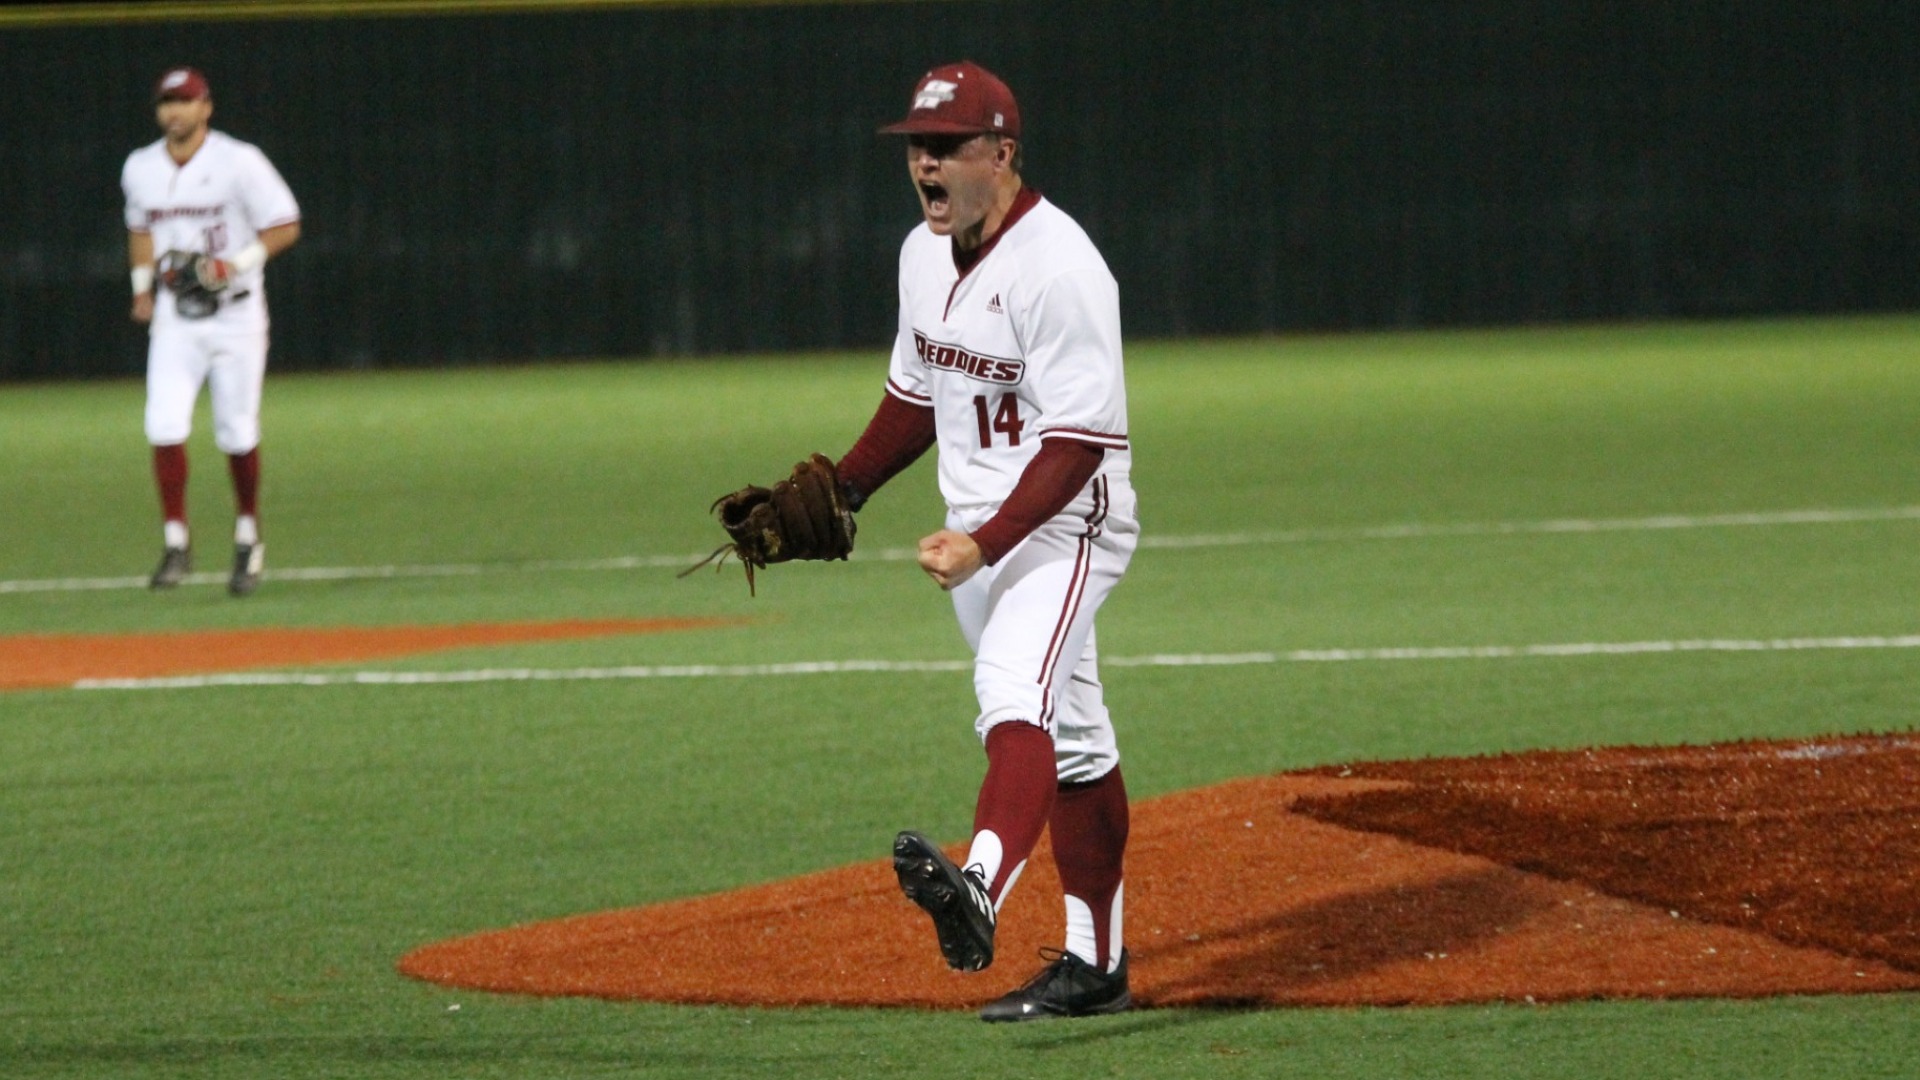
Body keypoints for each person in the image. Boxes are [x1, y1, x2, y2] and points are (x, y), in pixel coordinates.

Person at [836, 61, 1138, 1022]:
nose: (926, 165)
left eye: (947, 146)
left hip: (1066, 521)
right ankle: (1098, 966)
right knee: (1077, 742)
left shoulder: (1062, 266)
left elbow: (1082, 441)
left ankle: (979, 888)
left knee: (1012, 691)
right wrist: (841, 491)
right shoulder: (920, 257)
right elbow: (913, 397)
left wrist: (990, 541)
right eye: (917, 148)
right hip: (977, 530)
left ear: (1002, 153)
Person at [123, 66, 301, 595]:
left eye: (185, 101)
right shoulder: (140, 167)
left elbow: (285, 223)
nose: (174, 111)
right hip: (177, 317)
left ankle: (248, 535)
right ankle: (176, 542)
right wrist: (140, 288)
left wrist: (235, 264)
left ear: (206, 107)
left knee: (237, 430)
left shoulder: (239, 161)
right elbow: (140, 229)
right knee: (163, 426)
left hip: (236, 316)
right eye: (166, 103)